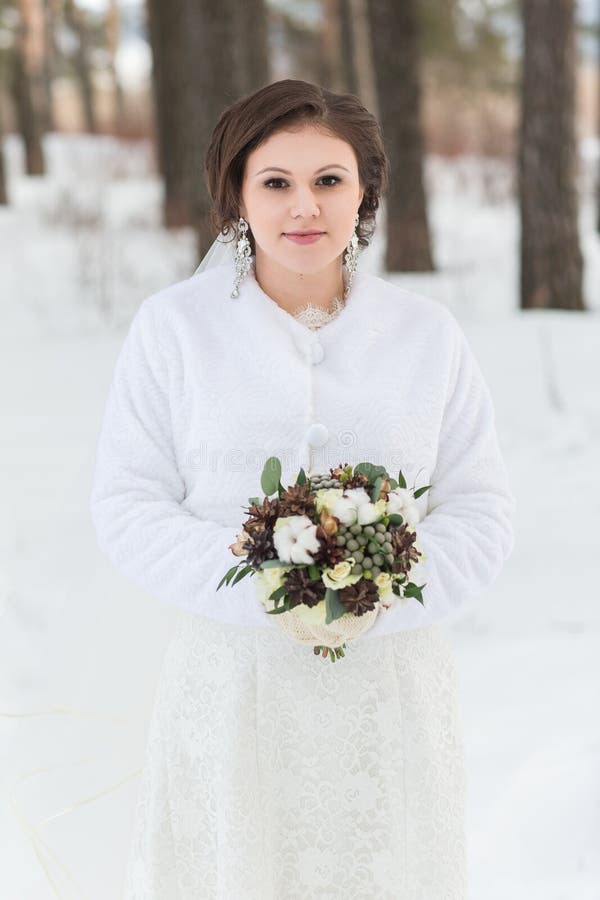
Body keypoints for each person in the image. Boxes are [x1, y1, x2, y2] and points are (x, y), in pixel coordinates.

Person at [89, 78, 515, 899]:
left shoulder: (428, 336)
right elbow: (128, 504)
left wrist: (379, 594)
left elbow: (480, 509)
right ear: (237, 196)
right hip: (231, 691)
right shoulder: (174, 330)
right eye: (276, 182)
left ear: (365, 192)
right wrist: (268, 585)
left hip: (390, 696)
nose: (304, 206)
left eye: (329, 180)